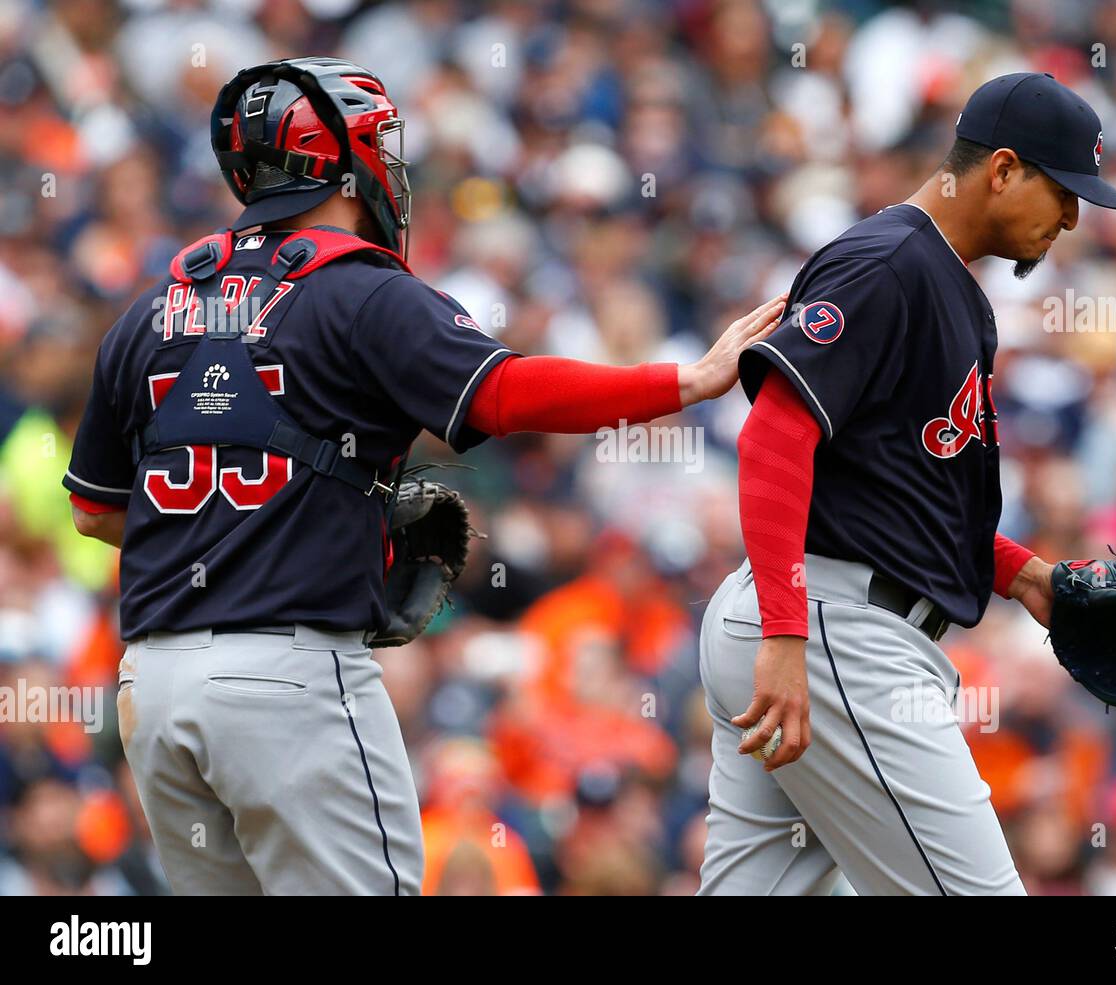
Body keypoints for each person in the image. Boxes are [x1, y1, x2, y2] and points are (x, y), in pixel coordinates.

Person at [63, 56, 784, 896]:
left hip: (153, 682)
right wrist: (684, 382)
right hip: (288, 677)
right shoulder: (359, 288)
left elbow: (95, 513)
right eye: (379, 143)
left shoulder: (153, 304)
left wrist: (262, 528)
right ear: (341, 160)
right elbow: (507, 392)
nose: (391, 164)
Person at [697, 72, 1116, 895]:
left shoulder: (945, 283)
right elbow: (773, 439)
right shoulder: (890, 262)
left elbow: (895, 486)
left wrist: (1021, 574)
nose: (1074, 217)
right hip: (834, 633)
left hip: (823, 621)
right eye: (1064, 191)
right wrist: (789, 639)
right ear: (1001, 170)